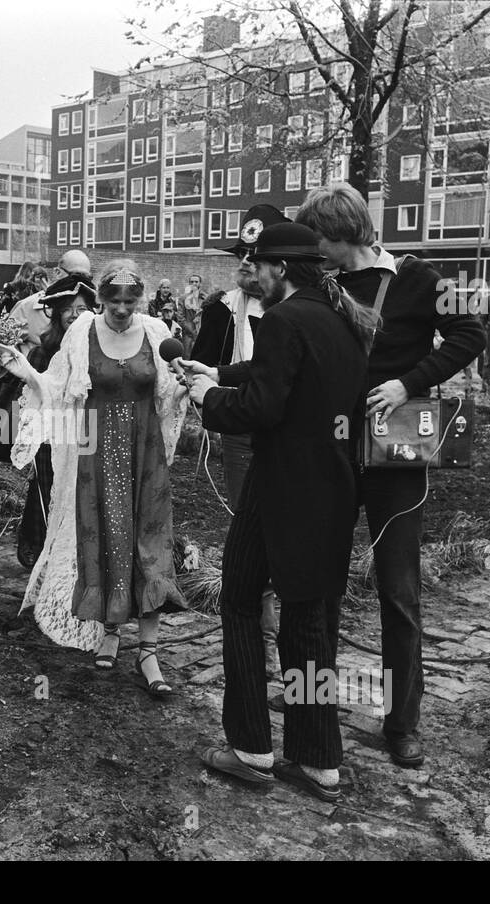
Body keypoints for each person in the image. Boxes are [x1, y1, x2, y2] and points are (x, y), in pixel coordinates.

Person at [181, 221, 376, 801]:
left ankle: (250, 750)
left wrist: (207, 399)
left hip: (278, 489)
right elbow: (284, 378)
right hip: (333, 490)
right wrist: (219, 373)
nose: (252, 273)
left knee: (240, 602)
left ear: (280, 268)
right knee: (308, 622)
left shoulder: (285, 319)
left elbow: (263, 406)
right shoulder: (342, 317)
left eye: (257, 264)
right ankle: (318, 760)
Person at [296, 183, 484, 769]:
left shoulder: (419, 279)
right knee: (318, 585)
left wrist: (409, 382)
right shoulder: (319, 285)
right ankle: (315, 704)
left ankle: (403, 721)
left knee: (398, 592)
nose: (312, 249)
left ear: (342, 233)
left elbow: (470, 334)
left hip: (397, 451)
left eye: (317, 238)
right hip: (330, 451)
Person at [0, 260, 189, 695]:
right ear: (100, 298)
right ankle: (112, 631)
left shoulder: (156, 332)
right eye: (112, 299)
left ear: (141, 299)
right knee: (106, 537)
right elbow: (57, 387)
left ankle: (149, 651)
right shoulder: (82, 333)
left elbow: (167, 396)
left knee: (149, 542)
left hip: (144, 454)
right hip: (95, 454)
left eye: (130, 300)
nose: (121, 308)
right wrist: (26, 372)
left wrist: (184, 384)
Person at [191, 205, 287, 662]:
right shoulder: (222, 310)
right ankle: (261, 635)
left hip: (290, 433)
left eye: (257, 255)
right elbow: (197, 368)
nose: (247, 263)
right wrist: (208, 394)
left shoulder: (297, 310)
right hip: (241, 431)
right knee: (251, 523)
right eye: (242, 255)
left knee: (291, 522)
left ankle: (293, 626)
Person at [14, 273, 96, 569]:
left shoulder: (98, 351)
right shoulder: (43, 352)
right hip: (53, 438)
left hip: (88, 435)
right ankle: (42, 555)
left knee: (82, 495)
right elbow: (32, 400)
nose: (75, 315)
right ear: (58, 312)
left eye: (82, 309)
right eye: (68, 308)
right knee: (48, 492)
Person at [9, 250, 92, 354]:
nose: (80, 282)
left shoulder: (94, 309)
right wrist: (23, 367)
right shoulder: (27, 307)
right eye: (75, 275)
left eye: (86, 278)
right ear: (57, 272)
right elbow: (0, 346)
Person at [180, 274, 203, 354]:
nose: (194, 283)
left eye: (196, 282)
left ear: (200, 283)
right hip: (188, 333)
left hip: (202, 332)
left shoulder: (205, 298)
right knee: (187, 356)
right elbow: (180, 317)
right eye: (191, 282)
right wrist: (191, 331)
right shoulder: (183, 298)